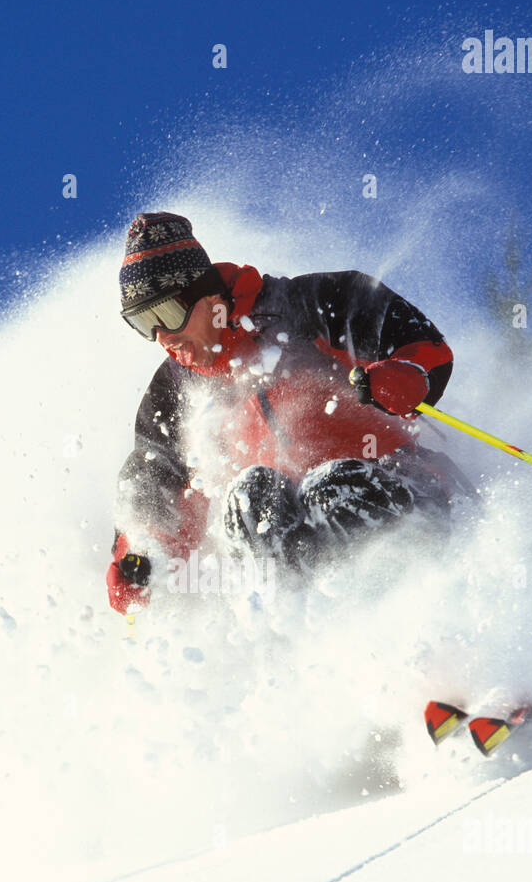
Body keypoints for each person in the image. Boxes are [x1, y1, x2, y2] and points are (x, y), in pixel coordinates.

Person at [107, 211, 468, 614]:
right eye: (143, 323)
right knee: (252, 499)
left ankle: (421, 616)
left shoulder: (307, 307)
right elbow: (155, 485)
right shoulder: (175, 391)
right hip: (299, 542)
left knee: (330, 487)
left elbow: (426, 348)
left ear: (208, 297)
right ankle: (293, 639)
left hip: (407, 488)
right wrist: (140, 555)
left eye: (168, 315)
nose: (163, 339)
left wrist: (405, 376)